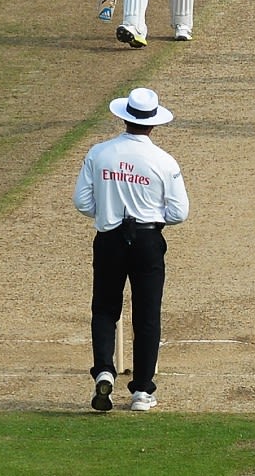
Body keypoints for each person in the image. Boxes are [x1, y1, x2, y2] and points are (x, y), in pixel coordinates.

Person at [73, 87, 189, 413]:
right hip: (148, 241)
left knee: (105, 309)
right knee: (147, 315)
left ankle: (104, 372)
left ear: (124, 118)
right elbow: (179, 212)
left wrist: (108, 213)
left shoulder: (100, 153)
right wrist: (151, 219)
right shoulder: (164, 161)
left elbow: (82, 201)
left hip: (109, 238)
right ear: (153, 124)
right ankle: (141, 392)